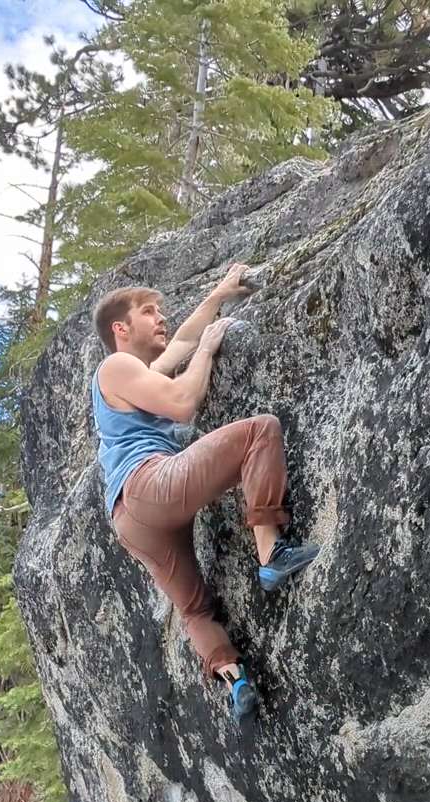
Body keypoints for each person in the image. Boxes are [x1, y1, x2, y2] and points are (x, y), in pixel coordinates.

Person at [91, 262, 319, 723]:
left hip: (131, 521)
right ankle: (271, 552)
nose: (161, 317)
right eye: (148, 311)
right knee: (259, 431)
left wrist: (218, 294)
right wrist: (209, 352)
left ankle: (234, 678)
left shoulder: (134, 375)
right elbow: (181, 401)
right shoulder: (115, 365)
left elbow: (180, 342)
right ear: (121, 329)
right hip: (148, 484)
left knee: (194, 608)